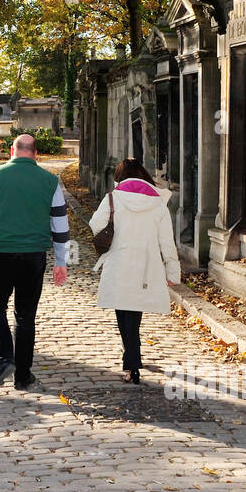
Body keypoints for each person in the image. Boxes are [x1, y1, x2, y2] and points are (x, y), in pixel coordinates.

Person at [0, 134, 69, 391]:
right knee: (25, 316)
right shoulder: (50, 181)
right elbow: (60, 224)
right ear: (36, 154)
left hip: (0, 254)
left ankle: (3, 360)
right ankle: (23, 376)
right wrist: (61, 261)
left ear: (12, 150)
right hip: (33, 257)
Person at [88, 158, 180, 384]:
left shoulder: (113, 198)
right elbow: (166, 241)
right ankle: (133, 355)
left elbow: (95, 224)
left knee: (123, 310)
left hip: (119, 261)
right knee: (134, 310)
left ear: (119, 176)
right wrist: (172, 271)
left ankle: (132, 361)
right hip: (147, 264)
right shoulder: (157, 203)